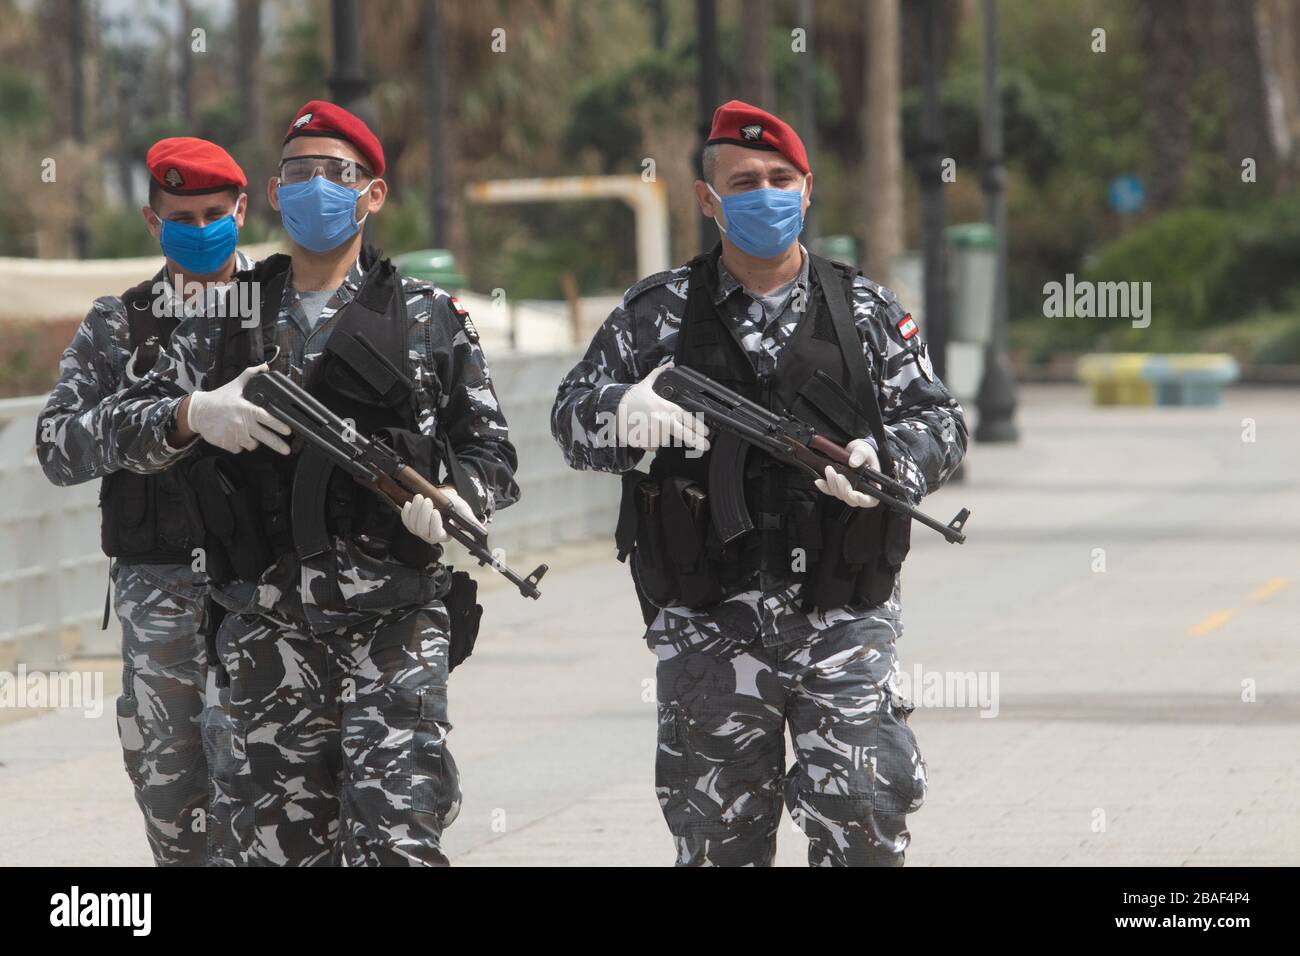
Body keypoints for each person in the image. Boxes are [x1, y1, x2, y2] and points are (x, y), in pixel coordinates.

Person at [552, 100, 968, 866]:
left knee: (865, 828)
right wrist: (622, 414)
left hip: (844, 620)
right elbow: (569, 418)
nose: (765, 194)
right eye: (743, 181)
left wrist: (887, 461)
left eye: (781, 178)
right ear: (708, 200)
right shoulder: (657, 315)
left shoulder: (864, 311)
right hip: (707, 627)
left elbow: (941, 422)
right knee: (718, 847)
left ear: (807, 190)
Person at [108, 100, 518, 866]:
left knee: (396, 838)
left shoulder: (428, 317)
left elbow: (490, 449)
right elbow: (119, 433)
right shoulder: (222, 316)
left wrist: (462, 499)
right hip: (266, 629)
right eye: (299, 173)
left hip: (394, 626)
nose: (316, 188)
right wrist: (194, 414)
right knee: (276, 849)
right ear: (272, 191)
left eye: (338, 173)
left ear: (373, 194)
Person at [36, 137, 255, 866]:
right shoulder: (118, 325)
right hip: (158, 594)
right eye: (182, 216)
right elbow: (57, 444)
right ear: (153, 221)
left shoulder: (286, 311)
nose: (201, 229)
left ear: (243, 210)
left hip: (269, 590)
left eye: (215, 213)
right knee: (172, 796)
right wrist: (169, 418)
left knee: (270, 789)